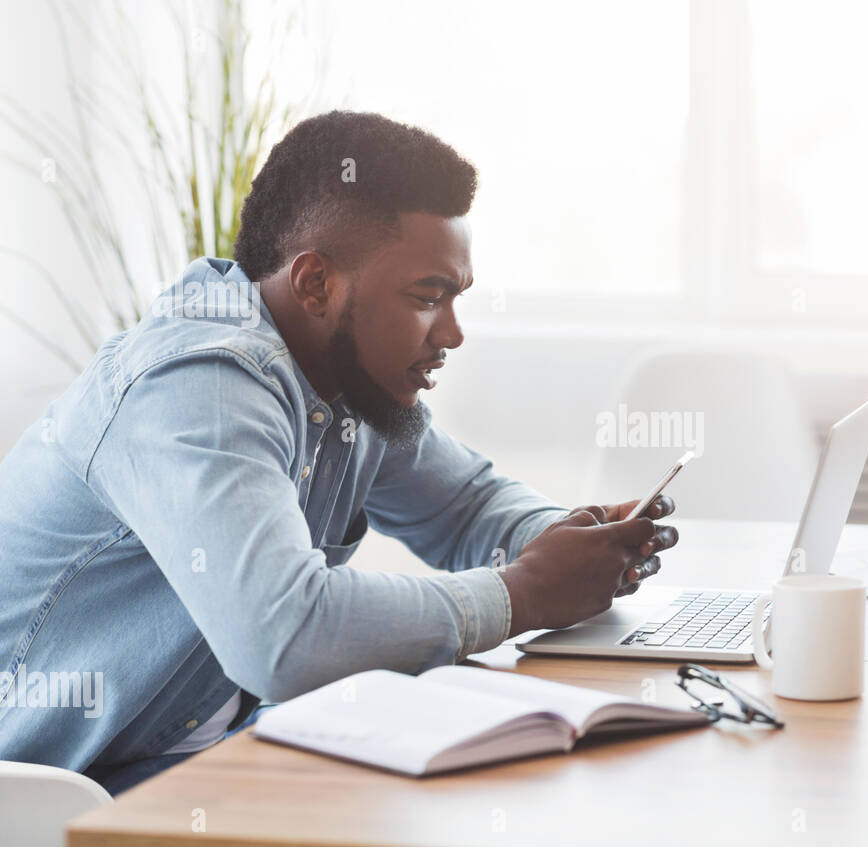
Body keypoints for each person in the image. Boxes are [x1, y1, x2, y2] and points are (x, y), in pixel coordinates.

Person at [0, 111, 678, 795]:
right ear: (316, 284)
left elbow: (468, 506)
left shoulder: (345, 385)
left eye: (456, 298)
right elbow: (283, 635)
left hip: (186, 771)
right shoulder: (199, 386)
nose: (452, 333)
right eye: (426, 298)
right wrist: (525, 593)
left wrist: (572, 544)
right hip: (49, 800)